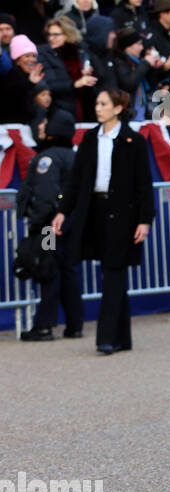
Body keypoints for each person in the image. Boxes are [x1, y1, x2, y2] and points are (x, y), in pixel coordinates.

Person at [51, 87, 156, 354]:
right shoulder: (88, 138)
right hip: (94, 212)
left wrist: (145, 220)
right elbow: (75, 180)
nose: (97, 108)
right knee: (112, 272)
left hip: (123, 214)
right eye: (96, 103)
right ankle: (123, 338)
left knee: (113, 272)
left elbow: (144, 184)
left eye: (103, 103)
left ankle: (105, 338)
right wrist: (63, 210)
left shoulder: (134, 141)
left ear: (118, 108)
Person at [16, 108, 83, 341]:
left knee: (48, 271)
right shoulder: (73, 155)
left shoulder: (48, 158)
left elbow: (46, 196)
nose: (41, 126)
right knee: (67, 270)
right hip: (68, 222)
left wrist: (37, 225)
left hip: (48, 225)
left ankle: (44, 326)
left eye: (46, 122)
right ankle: (75, 325)